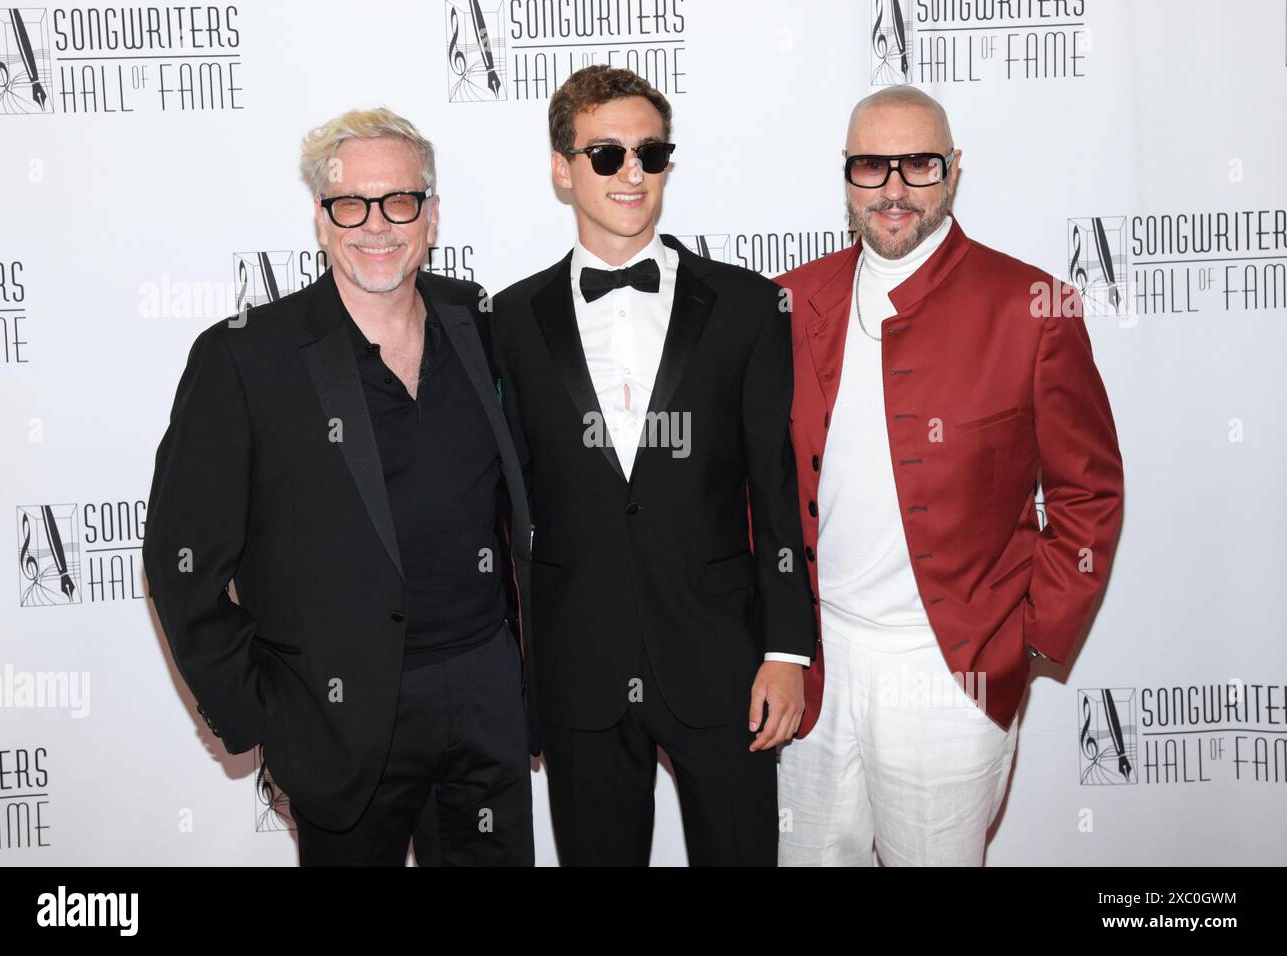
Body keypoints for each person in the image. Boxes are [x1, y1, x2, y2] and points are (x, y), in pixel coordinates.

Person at [143, 107, 535, 866]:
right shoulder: (246, 359)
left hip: (486, 694)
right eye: (350, 205)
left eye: (399, 202)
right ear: (321, 221)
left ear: (431, 214)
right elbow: (180, 562)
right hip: (339, 715)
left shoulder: (476, 320)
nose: (376, 225)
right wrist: (263, 720)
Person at [777, 85, 1124, 866]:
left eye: (919, 165)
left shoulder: (1032, 307)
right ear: (846, 176)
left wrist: (1033, 638)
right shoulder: (791, 302)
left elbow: (1088, 491)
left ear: (954, 171)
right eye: (871, 166)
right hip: (813, 666)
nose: (894, 188)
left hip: (953, 672)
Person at [490, 66, 816, 866]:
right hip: (578, 667)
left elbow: (776, 488)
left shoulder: (747, 307)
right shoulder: (507, 320)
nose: (631, 173)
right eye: (605, 155)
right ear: (561, 169)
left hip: (725, 663)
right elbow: (504, 505)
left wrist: (788, 649)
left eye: (650, 152)